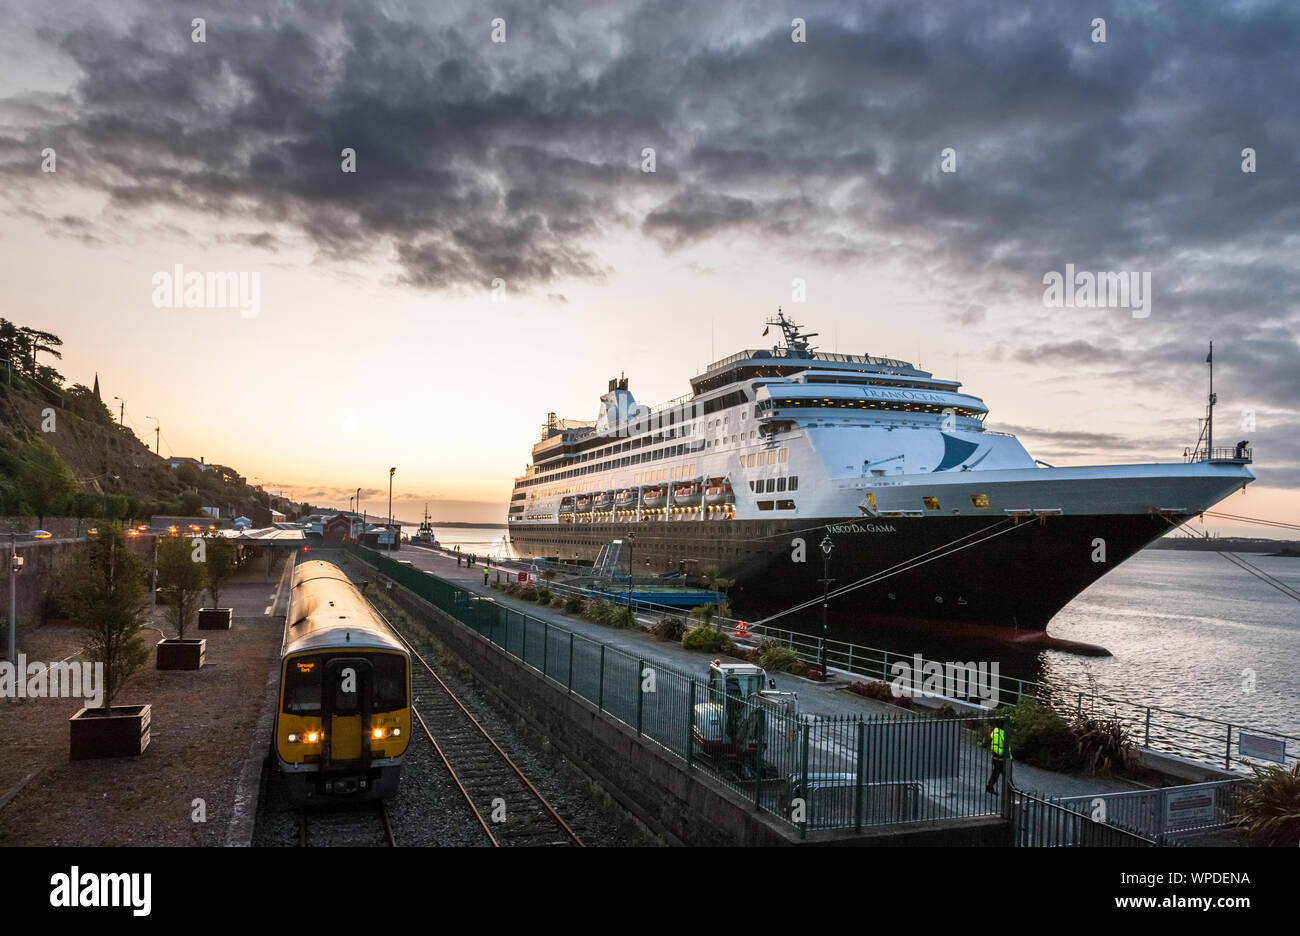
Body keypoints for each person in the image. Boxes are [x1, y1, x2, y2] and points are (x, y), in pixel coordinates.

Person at [986, 725, 1010, 794]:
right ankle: (1010, 790)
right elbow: (994, 747)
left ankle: (989, 787)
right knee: (1006, 774)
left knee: (996, 773)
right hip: (999, 759)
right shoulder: (998, 733)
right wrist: (1002, 752)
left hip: (1001, 759)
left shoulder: (1002, 733)